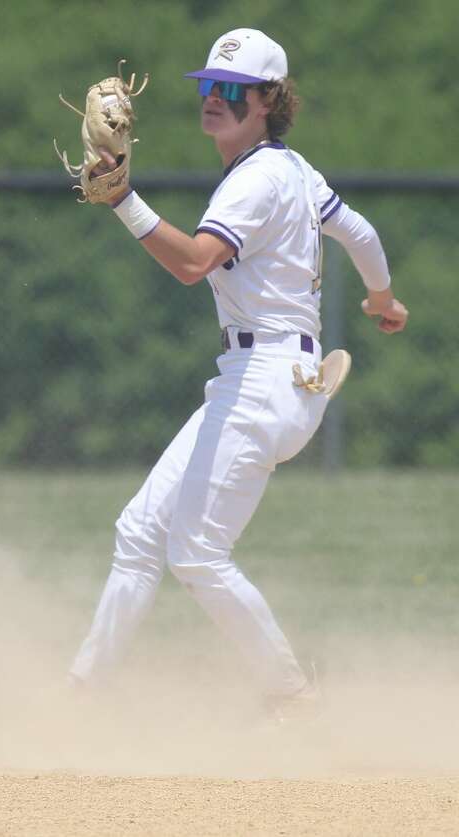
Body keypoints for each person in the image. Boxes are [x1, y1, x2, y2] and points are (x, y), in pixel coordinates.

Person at [66, 29, 408, 720]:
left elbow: (194, 263)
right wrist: (381, 298)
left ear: (268, 100)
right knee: (141, 532)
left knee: (196, 551)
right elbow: (361, 232)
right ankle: (84, 691)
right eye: (208, 85)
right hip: (263, 374)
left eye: (232, 89)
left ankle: (292, 696)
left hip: (265, 377)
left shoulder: (255, 179)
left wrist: (124, 200)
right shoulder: (292, 169)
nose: (213, 97)